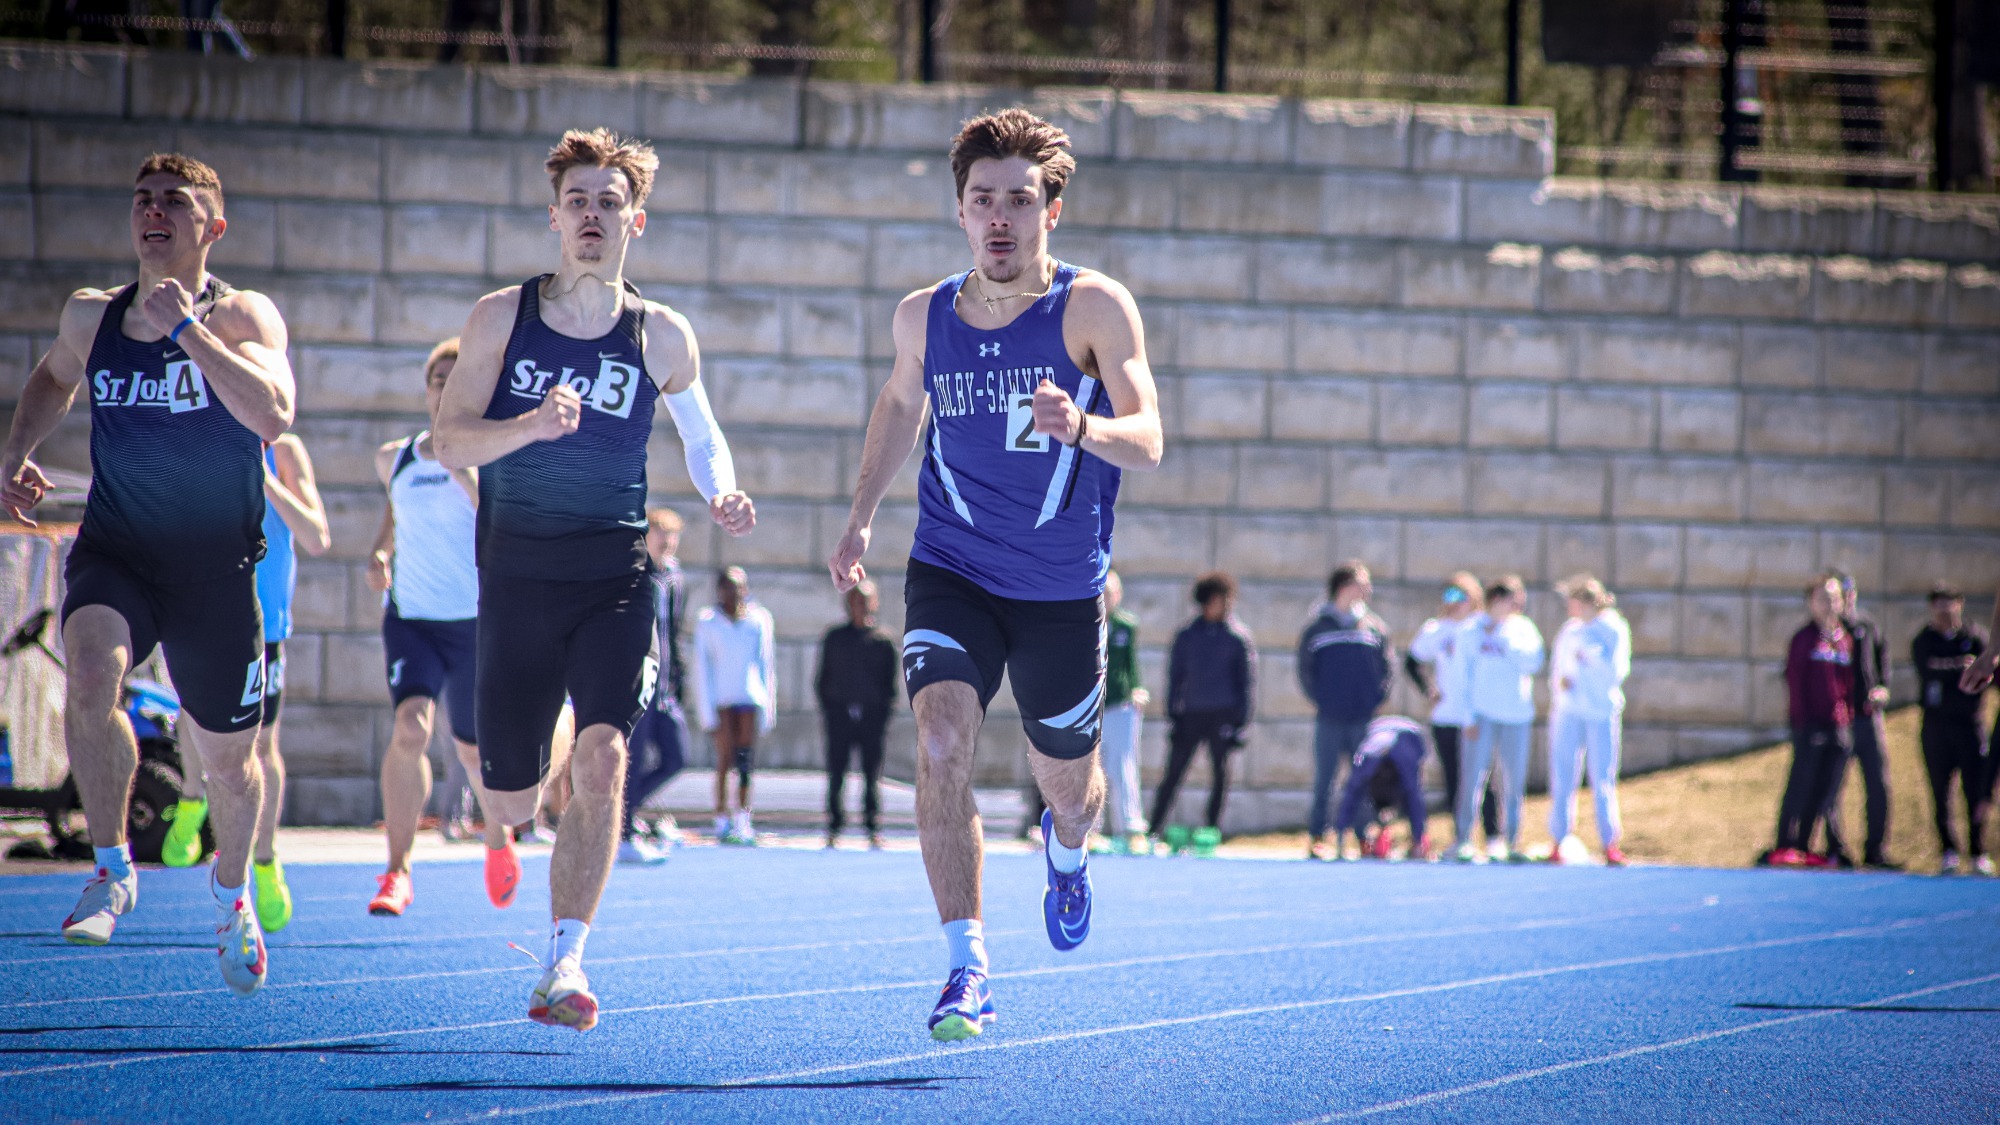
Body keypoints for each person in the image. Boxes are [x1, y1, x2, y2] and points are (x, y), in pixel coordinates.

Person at [826, 108, 1163, 1042]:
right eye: (984, 200)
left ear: (1051, 209)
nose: (1001, 217)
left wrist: (1085, 427)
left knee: (1070, 790)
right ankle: (967, 966)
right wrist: (859, 516)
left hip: (1060, 589)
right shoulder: (923, 315)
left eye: (1020, 199)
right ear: (961, 211)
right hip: (953, 567)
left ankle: (1068, 853)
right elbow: (900, 406)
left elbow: (1149, 436)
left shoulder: (1094, 308)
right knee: (940, 741)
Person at [434, 128, 755, 1032]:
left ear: (634, 222)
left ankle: (564, 958)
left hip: (614, 578)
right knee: (510, 800)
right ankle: (548, 744)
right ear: (553, 217)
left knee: (607, 759)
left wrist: (722, 490)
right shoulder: (501, 318)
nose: (591, 215)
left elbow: (701, 433)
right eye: (577, 201)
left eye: (609, 203)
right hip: (516, 577)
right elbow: (449, 439)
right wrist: (530, 426)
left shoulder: (660, 333)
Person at [2, 153, 294, 994]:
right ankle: (111, 866)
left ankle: (232, 894)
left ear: (214, 226)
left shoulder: (244, 314)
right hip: (119, 551)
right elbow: (54, 377)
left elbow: (275, 413)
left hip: (215, 572)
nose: (154, 211)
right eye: (143, 200)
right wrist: (16, 451)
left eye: (176, 200)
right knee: (91, 674)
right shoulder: (91, 315)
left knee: (231, 766)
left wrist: (188, 332)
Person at [361, 338, 519, 914]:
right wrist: (380, 555)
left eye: (457, 379)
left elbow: (501, 521)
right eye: (437, 380)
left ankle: (498, 838)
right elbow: (395, 517)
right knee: (410, 729)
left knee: (472, 750)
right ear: (427, 389)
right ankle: (396, 872)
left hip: (473, 622)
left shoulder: (491, 457)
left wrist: (463, 468)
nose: (445, 388)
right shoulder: (394, 459)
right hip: (412, 621)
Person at [160, 431, 330, 941]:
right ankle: (193, 797)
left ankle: (265, 859)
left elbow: (317, 536)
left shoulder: (285, 450)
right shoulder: (200, 434)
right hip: (204, 607)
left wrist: (266, 481)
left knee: (262, 742)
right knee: (194, 712)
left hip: (265, 622)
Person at [1298, 560, 1393, 861]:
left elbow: (1386, 669)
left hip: (1362, 719)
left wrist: (1374, 700)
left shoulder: (1374, 627)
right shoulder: (1317, 629)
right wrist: (1323, 700)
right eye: (1362, 583)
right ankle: (1318, 837)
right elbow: (1305, 671)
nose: (1368, 589)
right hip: (1329, 718)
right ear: (1344, 586)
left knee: (1363, 779)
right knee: (1324, 780)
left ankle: (1365, 837)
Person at [1152, 572, 1257, 842]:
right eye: (1219, 600)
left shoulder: (1237, 637)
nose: (1224, 605)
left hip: (1223, 714)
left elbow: (1246, 682)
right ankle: (1153, 829)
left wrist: (1240, 722)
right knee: (1173, 773)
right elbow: (1175, 676)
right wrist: (1173, 714)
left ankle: (1211, 829)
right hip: (1191, 713)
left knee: (1221, 775)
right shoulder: (1187, 636)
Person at [620, 508, 692, 865]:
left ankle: (621, 811)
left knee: (676, 757)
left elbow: (674, 632)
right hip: (637, 684)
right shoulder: (632, 574)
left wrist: (679, 676)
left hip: (665, 689)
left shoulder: (676, 578)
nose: (667, 541)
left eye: (672, 534)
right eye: (661, 533)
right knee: (632, 761)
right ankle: (622, 831)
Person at [1770, 574, 1857, 868]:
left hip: (1838, 727)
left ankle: (1806, 845)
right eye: (1822, 599)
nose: (1828, 604)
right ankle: (1786, 844)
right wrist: (1801, 724)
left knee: (1825, 790)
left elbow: (1850, 684)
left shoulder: (1844, 640)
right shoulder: (1804, 639)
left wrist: (1847, 718)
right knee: (1800, 784)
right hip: (1810, 727)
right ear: (1811, 603)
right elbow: (1795, 682)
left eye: (1833, 598)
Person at [1406, 573, 1498, 851]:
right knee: (1454, 778)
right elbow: (1412, 662)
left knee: (1483, 777)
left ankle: (1494, 837)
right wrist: (1429, 689)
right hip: (1446, 716)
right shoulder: (1436, 629)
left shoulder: (1483, 627)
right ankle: (1461, 837)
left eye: (1462, 596)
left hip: (1478, 716)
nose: (1456, 602)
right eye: (1450, 596)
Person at [1545, 575, 1632, 867]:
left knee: (1602, 776)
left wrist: (1592, 658)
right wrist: (1562, 685)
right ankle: (1558, 839)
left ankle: (1610, 842)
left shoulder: (1613, 628)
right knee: (1563, 775)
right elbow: (1558, 669)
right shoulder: (1570, 631)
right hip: (1569, 711)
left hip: (1600, 712)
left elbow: (1616, 672)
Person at [1456, 575, 1544, 863]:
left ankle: (1511, 841)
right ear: (1497, 600)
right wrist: (1468, 716)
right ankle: (1464, 840)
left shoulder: (1523, 629)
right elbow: (1462, 675)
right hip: (1481, 716)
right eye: (1513, 600)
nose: (1518, 606)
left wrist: (1503, 638)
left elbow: (1533, 663)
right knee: (1473, 779)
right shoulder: (1471, 629)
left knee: (1513, 783)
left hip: (1516, 717)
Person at [1911, 584, 1991, 875]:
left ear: (1960, 603)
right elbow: (1928, 669)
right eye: (1939, 603)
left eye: (1950, 602)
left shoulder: (1975, 637)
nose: (1944, 609)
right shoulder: (1924, 639)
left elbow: (1985, 671)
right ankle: (1948, 850)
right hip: (1936, 726)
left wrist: (1960, 669)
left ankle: (1978, 851)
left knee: (1976, 790)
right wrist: (1961, 666)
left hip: (1969, 724)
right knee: (1940, 791)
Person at [694, 566, 775, 845]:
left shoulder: (758, 620)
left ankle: (743, 818)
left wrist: (768, 707)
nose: (734, 592)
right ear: (719, 590)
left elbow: (765, 664)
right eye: (728, 586)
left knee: (745, 762)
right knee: (724, 760)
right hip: (722, 702)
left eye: (739, 586)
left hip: (748, 700)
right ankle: (721, 817)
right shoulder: (708, 621)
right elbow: (703, 667)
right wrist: (706, 711)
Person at [817, 579, 898, 849]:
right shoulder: (835, 638)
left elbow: (890, 685)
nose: (860, 607)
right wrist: (831, 708)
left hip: (872, 717)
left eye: (865, 601)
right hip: (840, 715)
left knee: (871, 774)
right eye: (855, 601)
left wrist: (882, 713)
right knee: (836, 772)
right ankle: (834, 826)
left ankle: (872, 826)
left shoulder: (883, 641)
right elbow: (823, 679)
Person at [1833, 570, 1897, 868]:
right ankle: (1836, 850)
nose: (1847, 599)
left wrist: (1883, 687)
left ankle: (1876, 850)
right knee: (1833, 787)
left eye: (1850, 592)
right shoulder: (1827, 630)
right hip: (1839, 720)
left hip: (1868, 717)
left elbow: (1883, 660)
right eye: (1841, 593)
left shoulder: (1867, 625)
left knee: (1878, 784)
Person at [1330, 715, 1428, 860]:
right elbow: (1352, 793)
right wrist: (1340, 836)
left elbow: (1413, 794)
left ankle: (1417, 841)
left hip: (1409, 734)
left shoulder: (1399, 760)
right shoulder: (1367, 764)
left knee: (1411, 790)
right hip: (1385, 733)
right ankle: (1416, 840)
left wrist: (1419, 837)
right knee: (1411, 790)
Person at [1101, 570, 1149, 851]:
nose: (1107, 598)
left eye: (1111, 593)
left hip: (1119, 703)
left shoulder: (1126, 626)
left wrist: (1137, 688)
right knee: (1090, 769)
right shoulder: (1085, 624)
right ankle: (1088, 829)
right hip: (1092, 707)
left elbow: (1131, 664)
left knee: (1123, 766)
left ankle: (1131, 828)